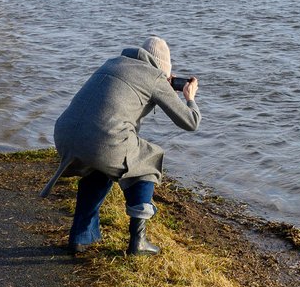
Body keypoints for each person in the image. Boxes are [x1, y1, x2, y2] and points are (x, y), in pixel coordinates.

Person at [40, 37, 200, 256]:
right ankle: (138, 242)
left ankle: (80, 237)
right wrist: (189, 98)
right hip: (102, 139)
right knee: (149, 158)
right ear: (163, 68)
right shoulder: (154, 77)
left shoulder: (112, 63)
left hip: (65, 134)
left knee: (100, 168)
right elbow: (191, 122)